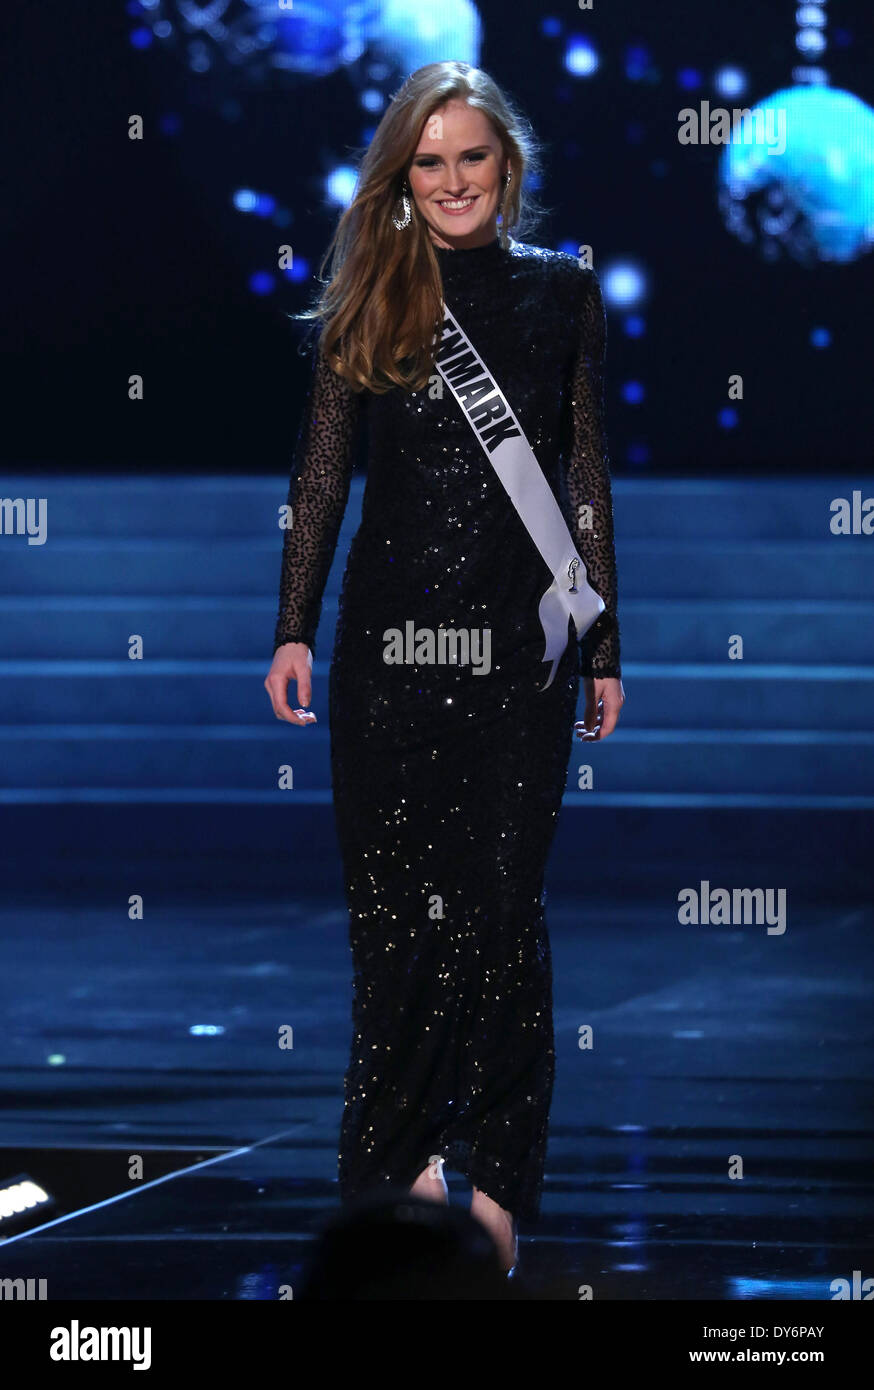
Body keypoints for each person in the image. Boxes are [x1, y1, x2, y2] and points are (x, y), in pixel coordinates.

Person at [264, 60, 624, 1277]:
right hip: (387, 659)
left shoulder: (558, 296)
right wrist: (292, 626)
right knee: (397, 926)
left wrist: (604, 644)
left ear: (505, 167)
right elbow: (321, 476)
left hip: (522, 657)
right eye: (429, 161)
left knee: (502, 920)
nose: (453, 179)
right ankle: (400, 1171)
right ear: (401, 177)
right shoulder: (370, 292)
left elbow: (582, 479)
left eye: (472, 157)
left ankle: (497, 1184)